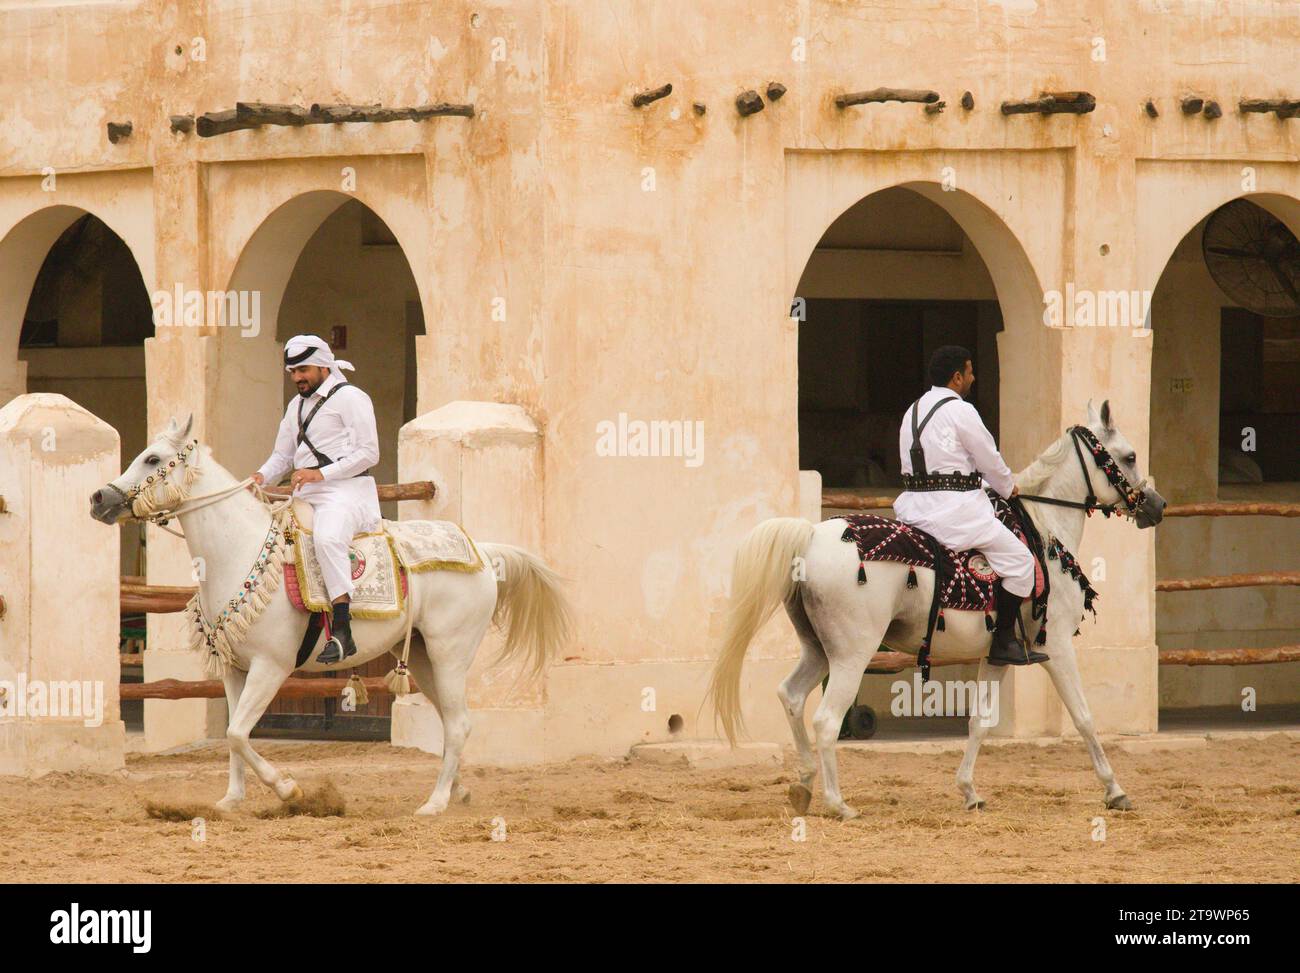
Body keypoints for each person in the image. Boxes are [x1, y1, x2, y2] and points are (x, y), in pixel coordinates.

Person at [893, 345, 1047, 666]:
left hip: (912, 510)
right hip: (955, 515)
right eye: (970, 371)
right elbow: (989, 459)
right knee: (1020, 561)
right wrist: (1007, 486)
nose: (974, 378)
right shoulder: (962, 411)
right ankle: (1004, 640)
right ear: (957, 377)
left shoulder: (913, 410)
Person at [250, 334, 381, 664]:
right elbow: (282, 456)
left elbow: (369, 452)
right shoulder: (296, 405)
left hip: (346, 494)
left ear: (323, 365)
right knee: (275, 541)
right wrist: (260, 477)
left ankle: (342, 628)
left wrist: (321, 474)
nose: (297, 378)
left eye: (303, 370)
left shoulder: (351, 398)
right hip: (305, 497)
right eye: (292, 371)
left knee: (327, 538)